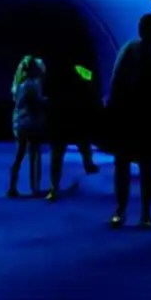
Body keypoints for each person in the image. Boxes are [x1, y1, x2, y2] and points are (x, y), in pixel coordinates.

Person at [106, 14, 151, 228]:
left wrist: (112, 112)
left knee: (122, 165)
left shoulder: (129, 50)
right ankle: (146, 214)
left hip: (126, 117)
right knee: (149, 168)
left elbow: (116, 81)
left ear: (141, 31)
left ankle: (120, 211)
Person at [46, 54, 102, 202]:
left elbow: (49, 98)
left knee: (57, 154)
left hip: (60, 119)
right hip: (76, 116)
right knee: (83, 142)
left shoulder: (52, 77)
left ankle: (54, 186)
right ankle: (88, 164)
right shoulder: (80, 73)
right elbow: (91, 89)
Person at [8, 55, 48, 197]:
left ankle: (12, 187)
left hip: (19, 124)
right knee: (35, 156)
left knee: (19, 155)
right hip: (32, 123)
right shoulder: (33, 84)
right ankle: (34, 187)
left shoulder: (18, 85)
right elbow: (37, 102)